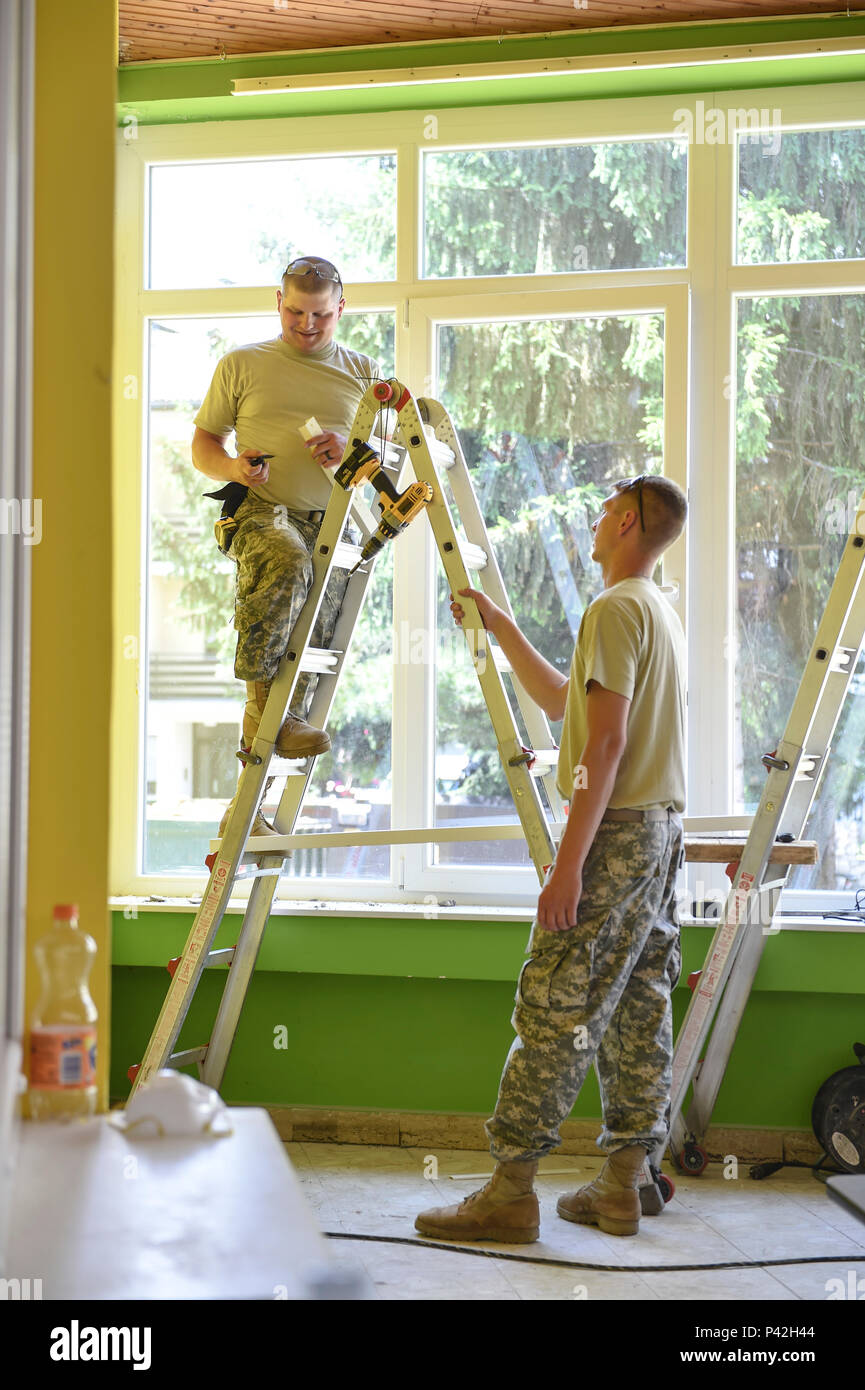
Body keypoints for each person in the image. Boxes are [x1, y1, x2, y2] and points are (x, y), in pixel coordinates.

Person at [415, 474, 688, 1242]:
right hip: (659, 836)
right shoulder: (652, 608)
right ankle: (622, 1185)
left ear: (629, 521)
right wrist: (501, 628)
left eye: (604, 514)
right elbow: (569, 701)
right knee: (640, 1006)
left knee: (554, 1009)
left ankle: (508, 1192)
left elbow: (602, 745)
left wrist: (568, 866)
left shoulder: (612, 608)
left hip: (616, 836)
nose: (595, 525)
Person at [191, 256, 382, 835]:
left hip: (331, 520)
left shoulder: (362, 372)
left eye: (320, 315)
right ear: (279, 302)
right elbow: (204, 444)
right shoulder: (242, 363)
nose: (306, 325)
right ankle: (261, 720)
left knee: (310, 644)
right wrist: (232, 464)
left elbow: (376, 470)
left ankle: (246, 808)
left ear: (340, 309)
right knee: (286, 561)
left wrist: (344, 454)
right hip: (260, 511)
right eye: (296, 311)